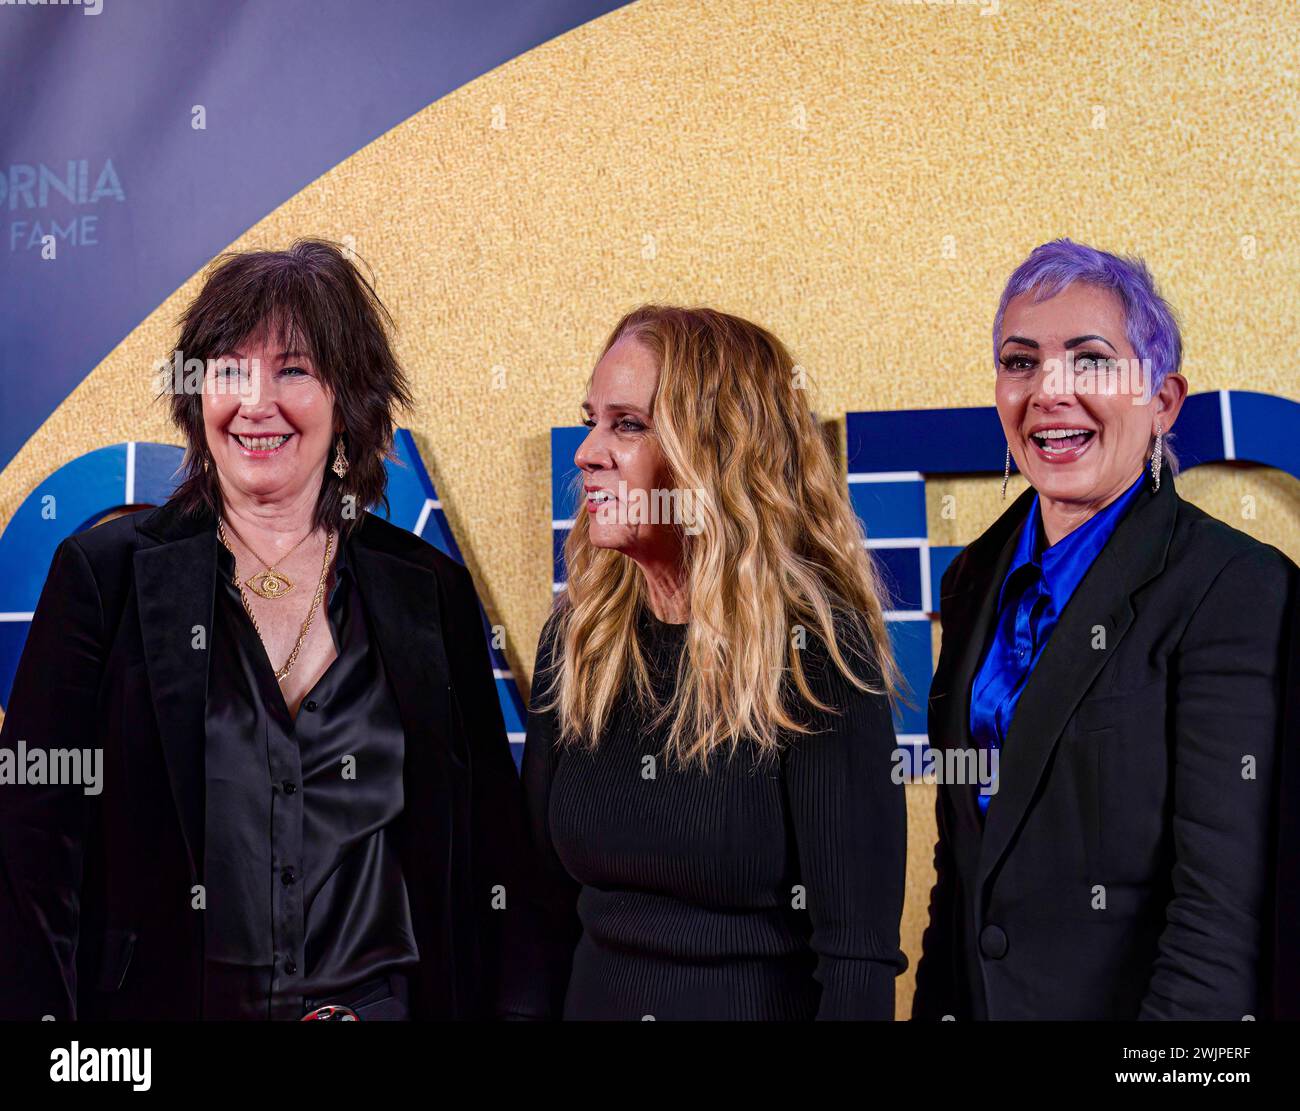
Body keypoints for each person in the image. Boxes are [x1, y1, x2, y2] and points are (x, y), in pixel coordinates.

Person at [0, 239, 526, 1020]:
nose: (256, 402)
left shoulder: (430, 591)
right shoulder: (103, 577)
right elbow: (30, 858)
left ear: (349, 397)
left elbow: (493, 848)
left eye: (294, 370)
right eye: (229, 368)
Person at [912, 238, 1298, 1020]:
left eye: (1090, 361)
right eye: (1020, 362)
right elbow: (960, 877)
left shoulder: (1236, 590)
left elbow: (1219, 923)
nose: (1049, 390)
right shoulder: (972, 578)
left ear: (1164, 401)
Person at [499, 305, 909, 1020]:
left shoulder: (817, 655)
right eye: (592, 418)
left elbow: (856, 965)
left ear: (713, 452)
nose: (587, 451)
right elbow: (537, 915)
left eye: (626, 424)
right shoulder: (578, 639)